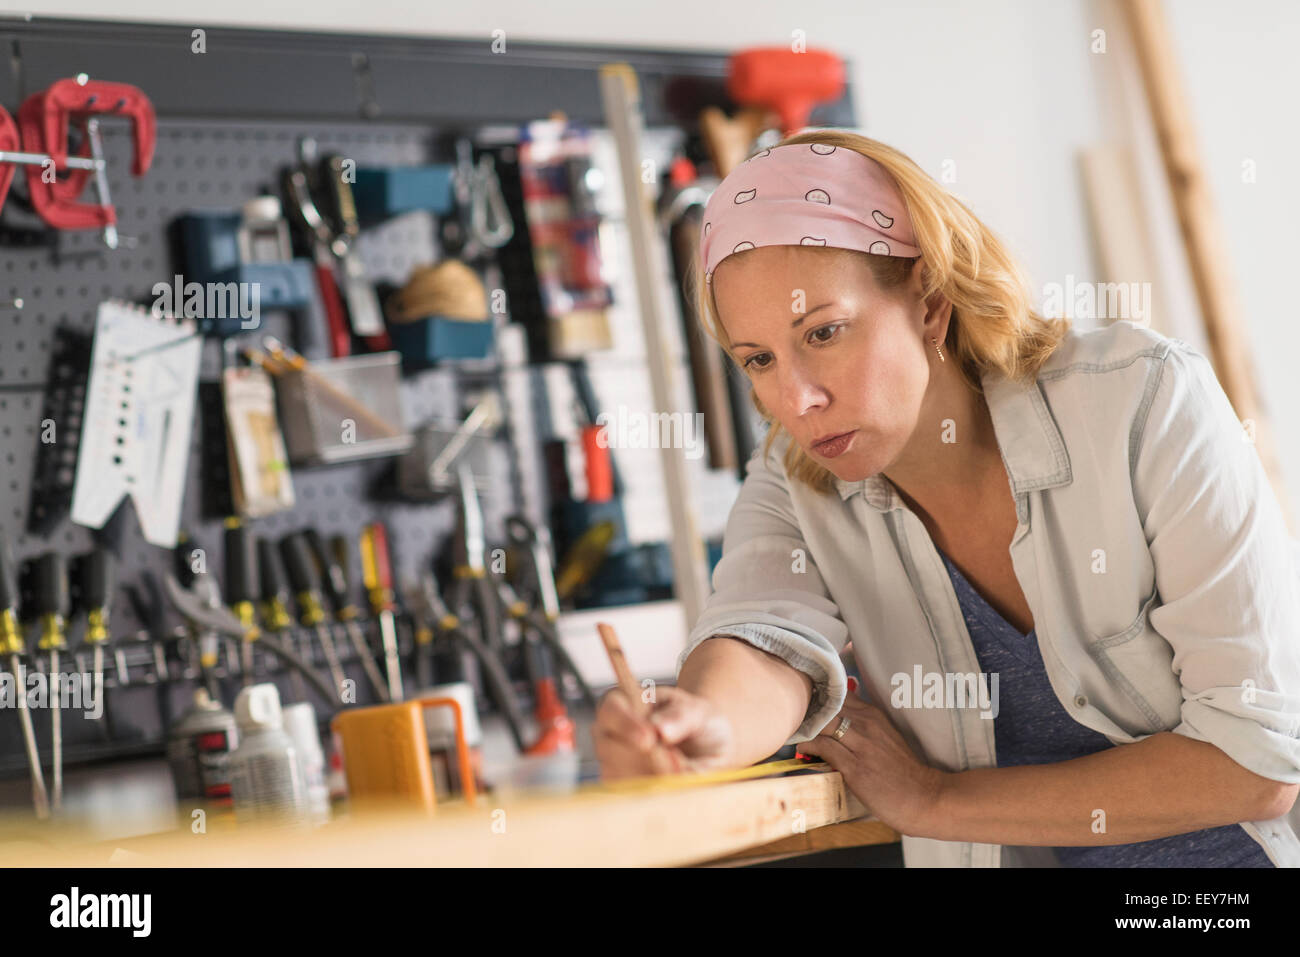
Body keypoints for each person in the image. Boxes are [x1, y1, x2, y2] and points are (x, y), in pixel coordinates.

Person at [591, 130, 1300, 867]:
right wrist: (699, 725)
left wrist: (933, 801)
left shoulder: (1143, 400)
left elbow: (1254, 762)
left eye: (824, 331)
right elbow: (764, 640)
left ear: (929, 301)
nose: (797, 398)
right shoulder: (793, 482)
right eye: (760, 359)